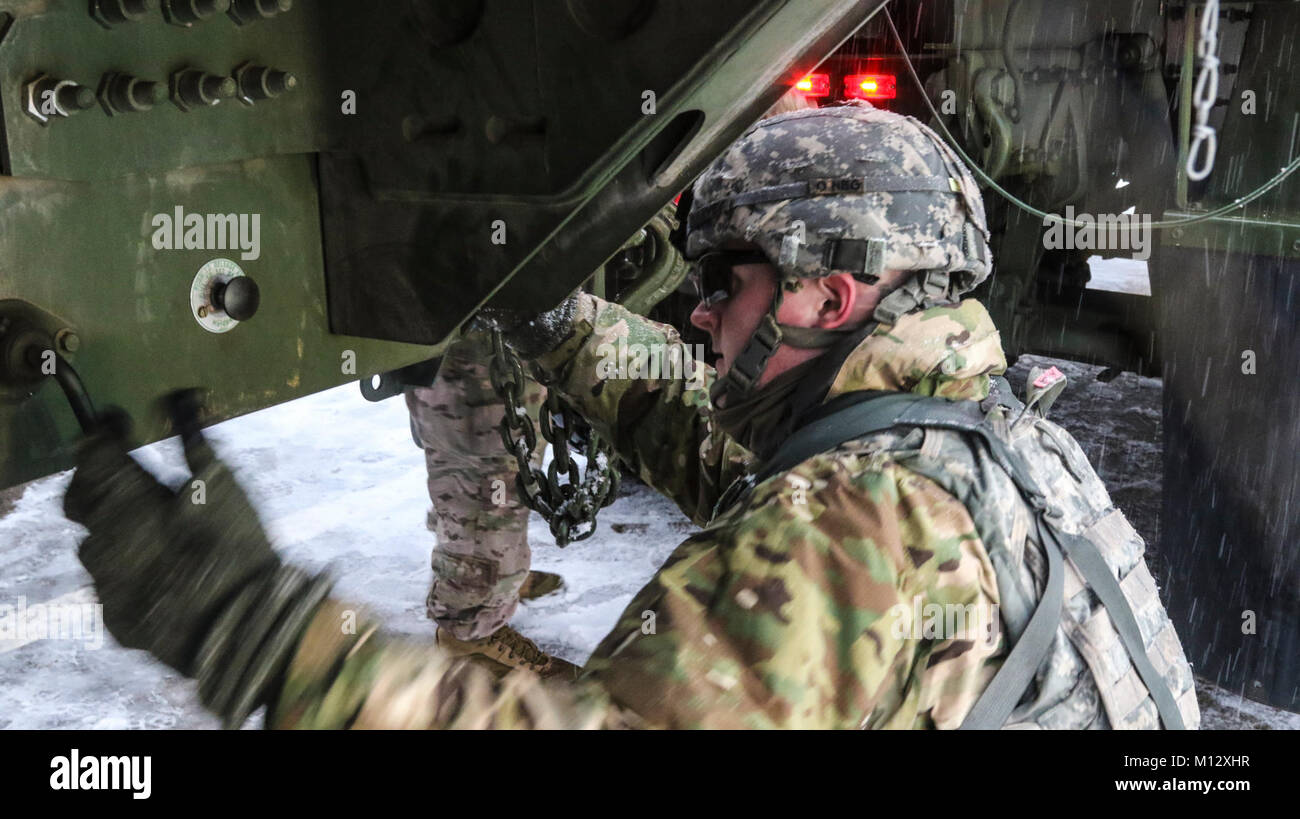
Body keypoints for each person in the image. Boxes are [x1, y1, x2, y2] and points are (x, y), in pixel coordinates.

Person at [64, 101, 1199, 729]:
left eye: (728, 285)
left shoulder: (849, 535)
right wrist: (550, 314)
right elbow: (701, 430)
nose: (700, 316)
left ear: (828, 293)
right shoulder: (988, 439)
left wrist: (253, 635)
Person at [403, 331, 572, 679]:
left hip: (493, 336)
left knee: (500, 471)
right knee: (488, 475)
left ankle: (490, 579)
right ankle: (470, 628)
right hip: (477, 337)